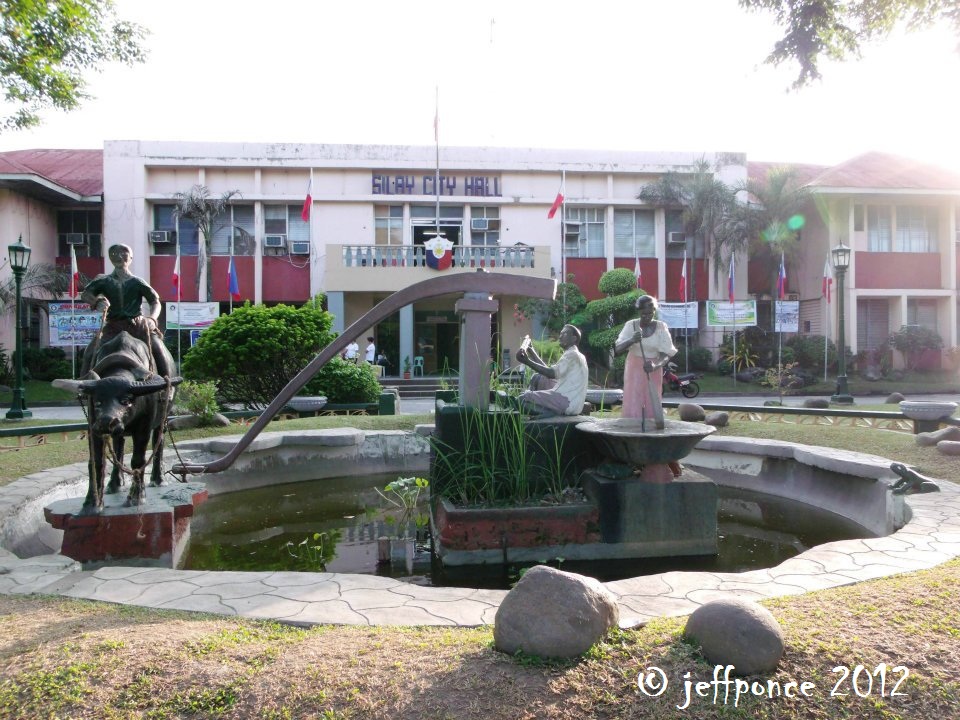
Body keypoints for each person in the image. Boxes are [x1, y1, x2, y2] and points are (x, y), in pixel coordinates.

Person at [80, 243, 172, 380]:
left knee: (158, 347)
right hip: (112, 326)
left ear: (131, 257)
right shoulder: (104, 281)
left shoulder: (137, 282)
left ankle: (167, 382)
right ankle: (83, 384)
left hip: (137, 326)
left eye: (124, 253)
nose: (119, 256)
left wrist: (152, 319)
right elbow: (86, 294)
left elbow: (155, 301)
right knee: (90, 351)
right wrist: (96, 301)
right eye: (114, 253)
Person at [615, 294, 677, 426]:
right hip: (634, 367)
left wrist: (656, 365)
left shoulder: (661, 327)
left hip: (653, 368)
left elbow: (666, 354)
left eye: (650, 313)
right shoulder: (631, 325)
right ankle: (631, 426)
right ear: (639, 311)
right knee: (633, 398)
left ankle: (653, 426)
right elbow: (618, 349)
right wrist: (631, 340)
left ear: (654, 311)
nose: (647, 316)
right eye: (644, 314)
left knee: (652, 398)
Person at [515, 324, 588, 416]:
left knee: (521, 400)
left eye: (564, 334)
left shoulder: (572, 355)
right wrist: (531, 351)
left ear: (574, 339)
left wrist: (527, 361)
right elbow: (548, 372)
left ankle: (551, 413)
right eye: (560, 334)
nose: (560, 337)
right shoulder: (575, 354)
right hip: (571, 401)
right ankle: (535, 400)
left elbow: (551, 373)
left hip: (567, 401)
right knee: (538, 377)